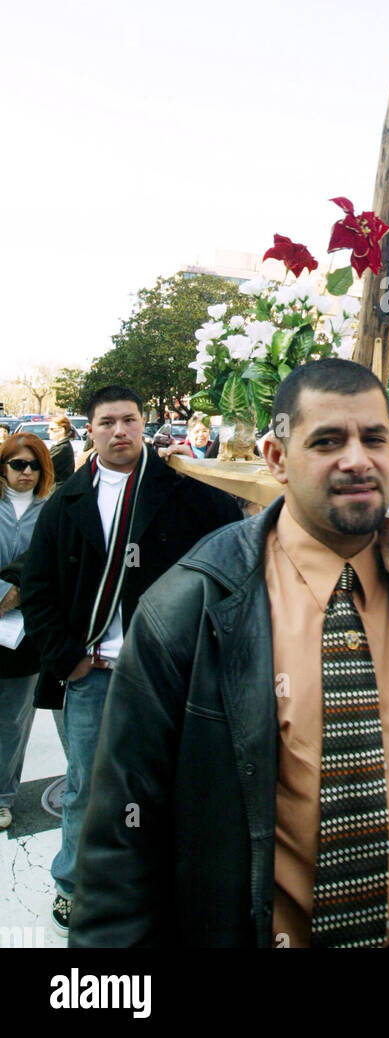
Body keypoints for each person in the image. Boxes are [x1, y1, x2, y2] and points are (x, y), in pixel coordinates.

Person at [69, 358, 389, 948]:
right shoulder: (191, 602)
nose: (357, 459)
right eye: (327, 441)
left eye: (374, 439)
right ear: (277, 458)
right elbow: (119, 834)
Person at [20, 385, 241, 938]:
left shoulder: (180, 486)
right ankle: (75, 885)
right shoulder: (68, 500)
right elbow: (39, 586)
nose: (119, 431)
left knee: (170, 785)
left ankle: (154, 883)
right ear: (89, 431)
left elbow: (234, 539)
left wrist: (206, 472)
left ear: (144, 425)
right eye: (106, 423)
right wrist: (66, 657)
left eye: (129, 420)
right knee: (87, 789)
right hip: (92, 675)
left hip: (164, 673)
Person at [0, 435, 58, 830]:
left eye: (34, 465)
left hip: (25, 635)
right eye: (17, 464)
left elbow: (57, 564)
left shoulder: (53, 511)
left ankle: (2, 796)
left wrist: (21, 592)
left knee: (13, 722)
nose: (26, 472)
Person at [47, 415, 76, 490]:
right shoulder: (60, 446)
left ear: (62, 430)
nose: (48, 431)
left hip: (57, 490)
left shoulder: (62, 448)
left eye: (52, 429)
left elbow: (43, 463)